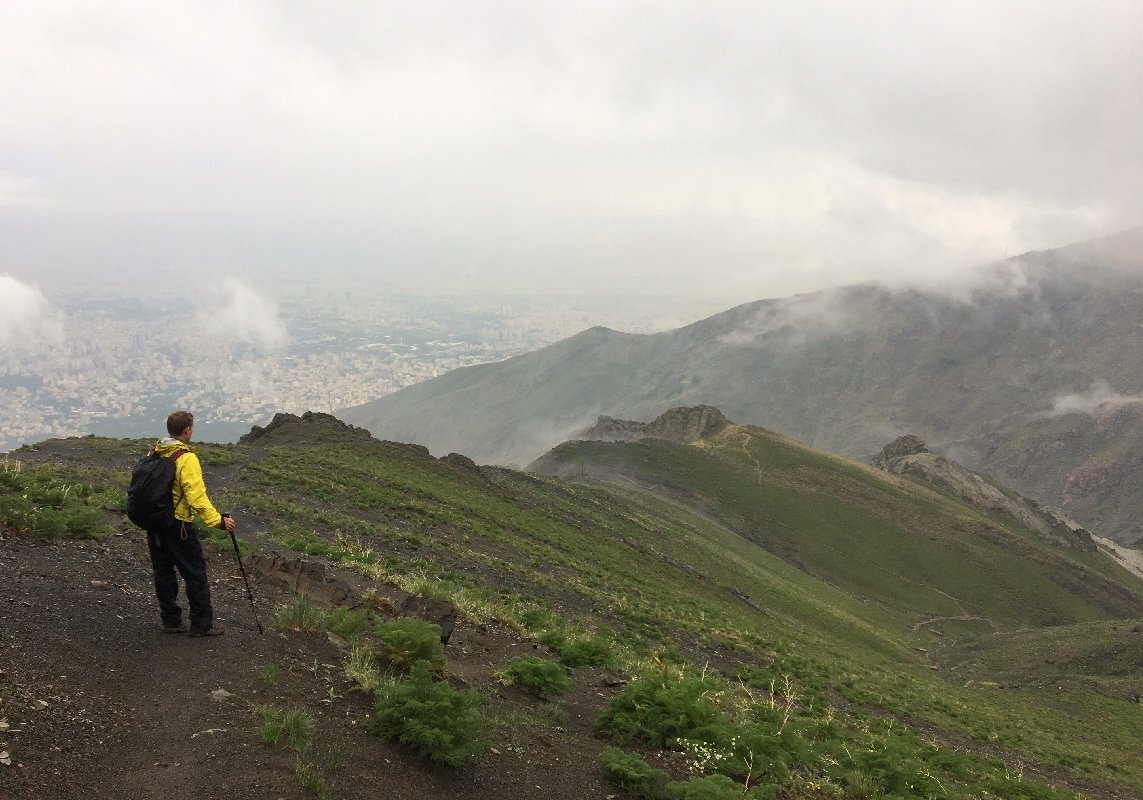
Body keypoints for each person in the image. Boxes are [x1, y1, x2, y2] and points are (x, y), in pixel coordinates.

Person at [146, 410, 235, 637]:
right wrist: (218, 521)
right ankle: (201, 624)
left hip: (155, 523)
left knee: (163, 572)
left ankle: (171, 621)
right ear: (187, 430)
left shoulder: (156, 452)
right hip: (179, 525)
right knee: (195, 574)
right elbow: (196, 497)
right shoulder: (186, 458)